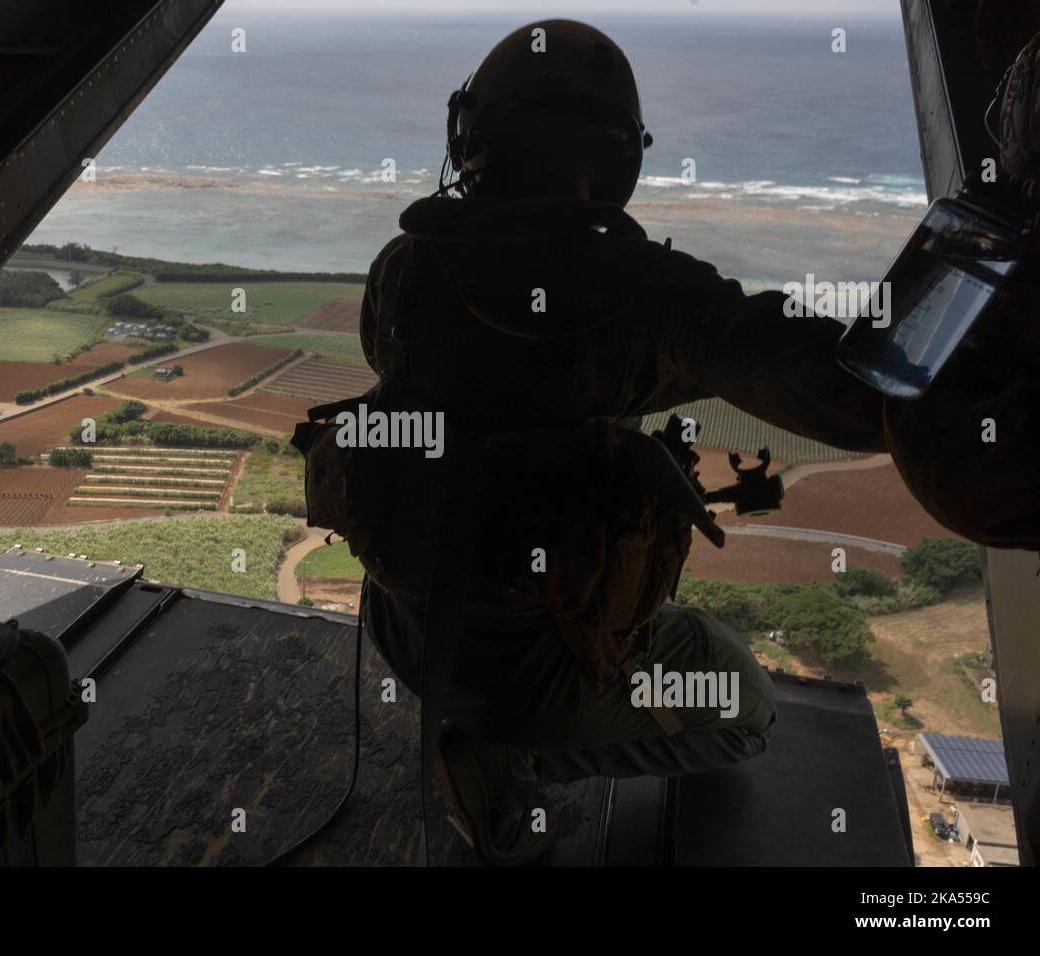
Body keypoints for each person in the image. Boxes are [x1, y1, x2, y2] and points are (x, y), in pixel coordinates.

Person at [351, 19, 888, 865]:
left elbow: (487, 396)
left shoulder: (402, 269)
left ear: (471, 134)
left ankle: (488, 724)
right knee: (746, 707)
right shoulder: (636, 299)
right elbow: (841, 392)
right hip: (534, 670)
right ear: (611, 160)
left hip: (405, 625)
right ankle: (511, 755)